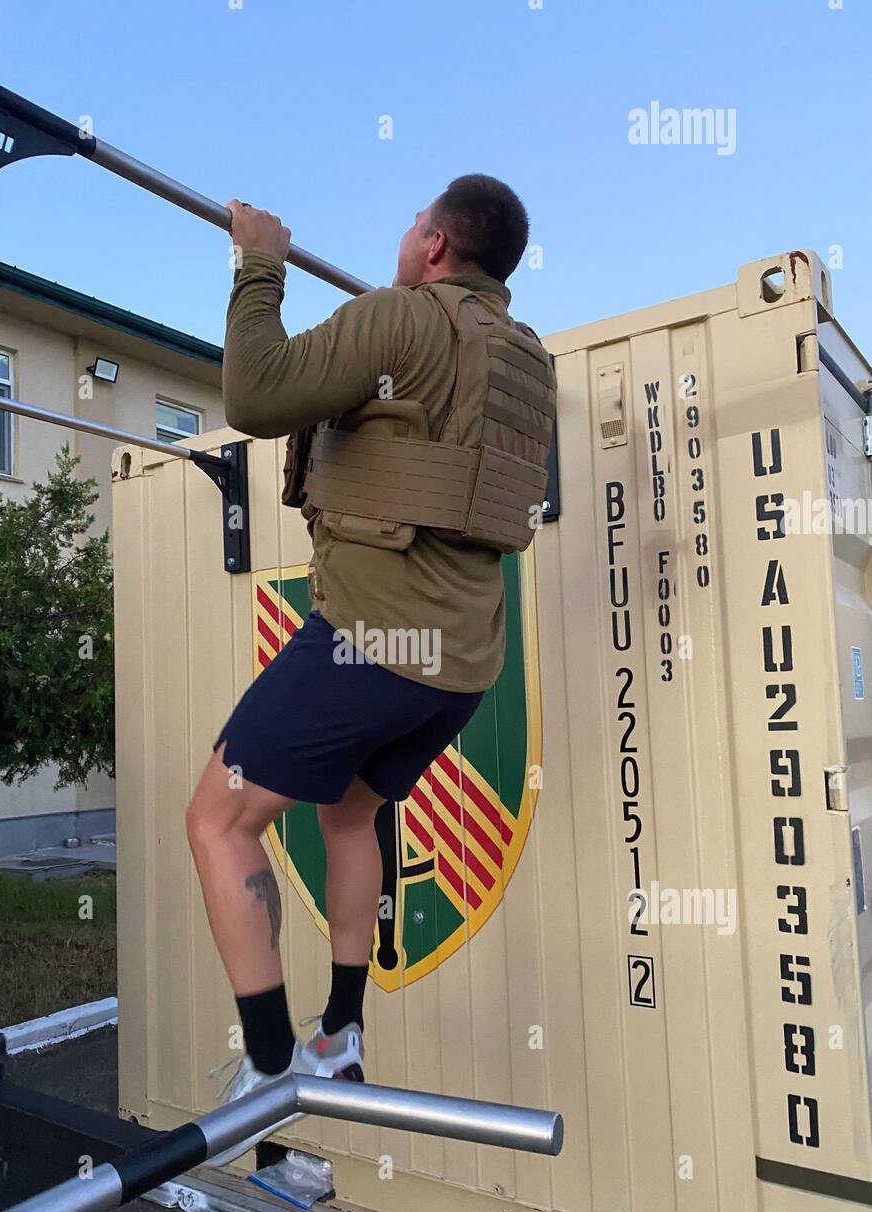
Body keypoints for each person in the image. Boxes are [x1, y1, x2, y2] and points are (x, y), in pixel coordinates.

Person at [186, 175, 556, 1126]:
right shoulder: (521, 357)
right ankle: (339, 1033)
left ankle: (269, 1072)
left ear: (433, 245)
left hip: (370, 642)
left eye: (410, 222)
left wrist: (257, 264)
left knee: (218, 822)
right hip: (462, 670)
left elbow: (255, 393)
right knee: (350, 818)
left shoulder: (400, 319)